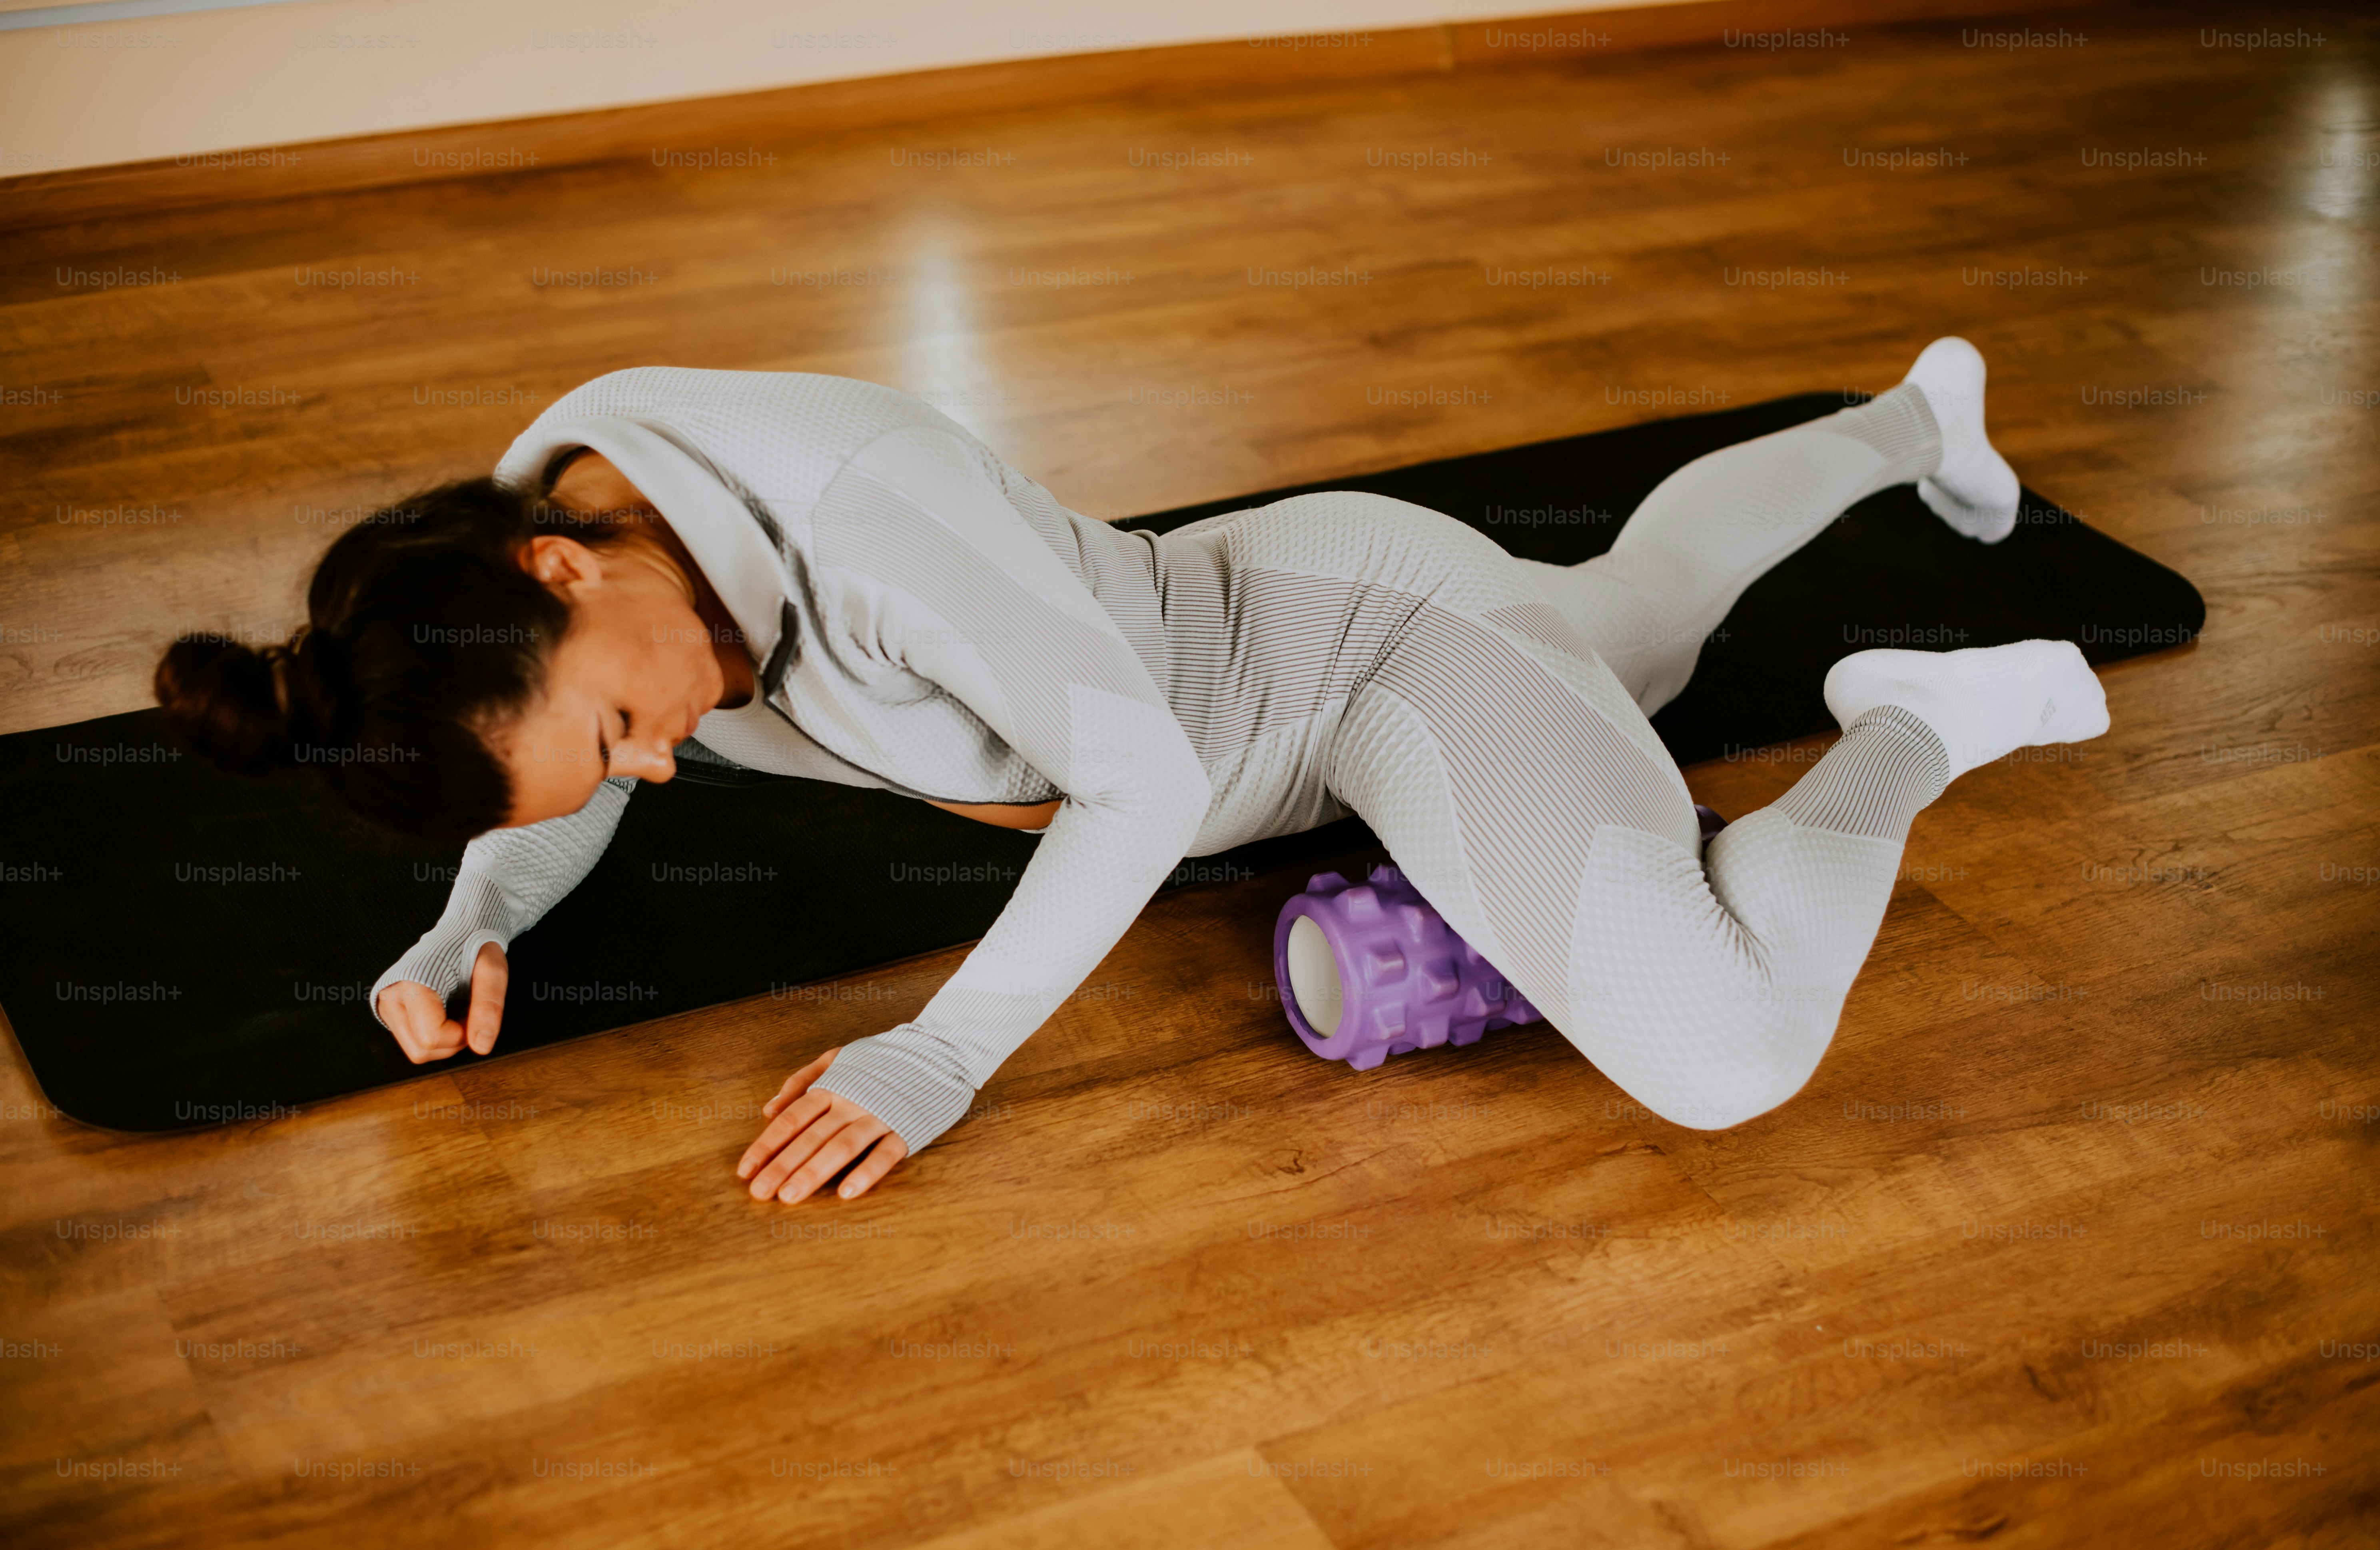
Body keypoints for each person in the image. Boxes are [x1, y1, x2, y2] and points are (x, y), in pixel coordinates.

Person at [153, 338, 2108, 1205]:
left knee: (1726, 1052)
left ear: (555, 570)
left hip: (1353, 659)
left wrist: (943, 1047)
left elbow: (1146, 783)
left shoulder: (866, 517)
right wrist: (480, 904)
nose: (655, 769)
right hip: (1275, 609)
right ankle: (1909, 418)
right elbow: (550, 750)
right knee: (1638, 614)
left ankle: (1920, 720)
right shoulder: (537, 559)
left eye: (619, 733)